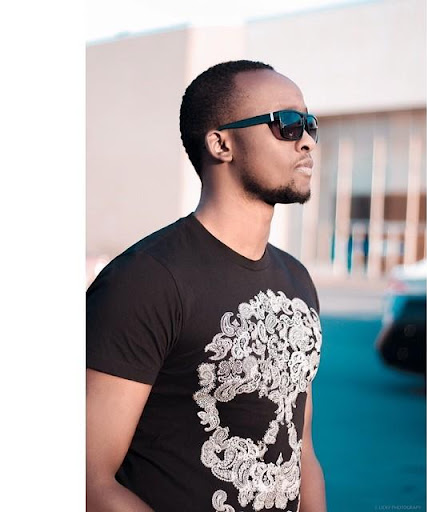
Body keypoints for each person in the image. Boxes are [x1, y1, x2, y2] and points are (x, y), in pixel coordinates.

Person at [86, 59, 326, 512]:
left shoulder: (297, 280)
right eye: (287, 123)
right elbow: (86, 480)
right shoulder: (145, 280)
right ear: (221, 143)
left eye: (310, 124)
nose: (307, 140)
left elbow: (301, 450)